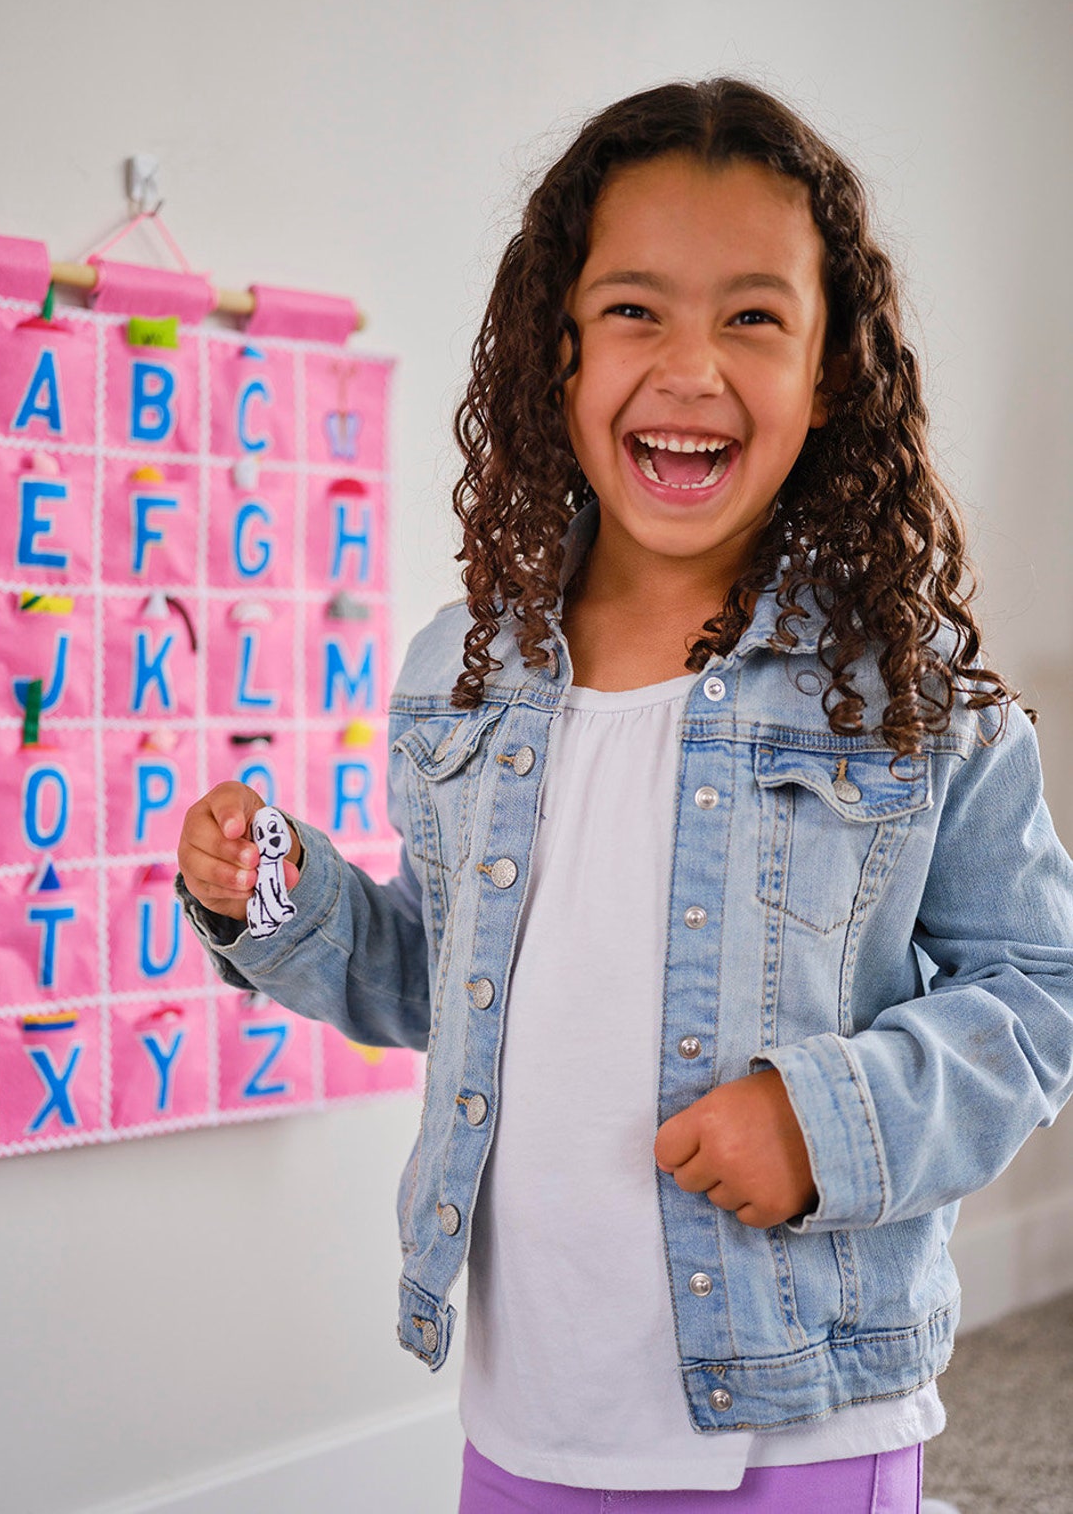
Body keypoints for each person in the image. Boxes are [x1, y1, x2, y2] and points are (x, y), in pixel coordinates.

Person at [176, 79, 1073, 1513]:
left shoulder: (911, 694)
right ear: (560, 349)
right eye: (636, 310)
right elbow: (440, 977)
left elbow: (1037, 993)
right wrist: (280, 892)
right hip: (531, 1405)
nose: (690, 367)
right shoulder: (460, 676)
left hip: (801, 1416)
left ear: (833, 371)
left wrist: (825, 1121)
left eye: (753, 317)